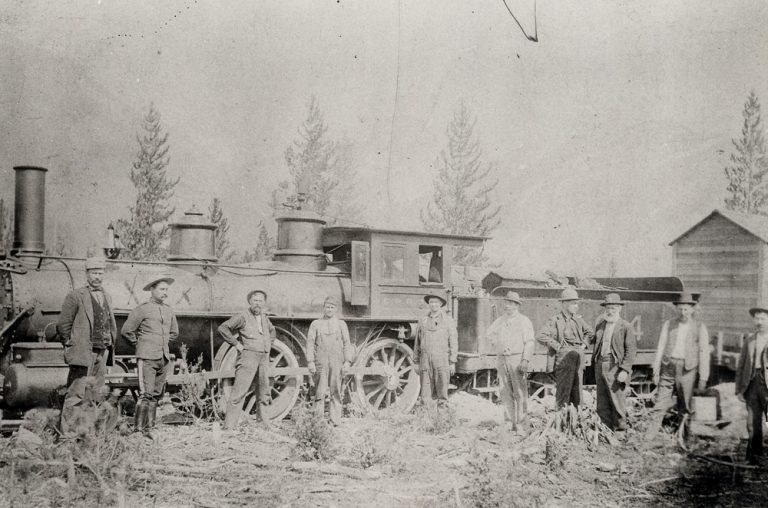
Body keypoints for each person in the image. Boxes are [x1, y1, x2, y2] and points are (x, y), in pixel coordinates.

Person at [57, 257, 117, 433]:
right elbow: (63, 325)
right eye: (94, 273)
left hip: (102, 352)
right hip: (84, 352)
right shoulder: (76, 296)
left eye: (100, 273)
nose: (97, 276)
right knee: (76, 394)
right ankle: (67, 435)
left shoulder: (107, 296)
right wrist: (71, 346)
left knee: (95, 394)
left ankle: (87, 433)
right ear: (87, 274)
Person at [121, 276, 179, 438]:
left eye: (166, 289)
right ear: (152, 290)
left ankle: (150, 429)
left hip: (163, 358)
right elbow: (127, 331)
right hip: (147, 357)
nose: (165, 293)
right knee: (145, 394)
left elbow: (174, 332)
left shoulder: (168, 310)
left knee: (156, 394)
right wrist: (142, 344)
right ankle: (138, 430)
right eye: (161, 289)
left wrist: (162, 342)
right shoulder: (142, 309)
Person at [648, 291, 709, 435]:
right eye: (680, 309)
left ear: (692, 309)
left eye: (686, 309)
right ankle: (649, 437)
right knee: (660, 402)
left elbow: (704, 352)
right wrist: (655, 369)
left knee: (685, 404)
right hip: (668, 366)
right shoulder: (669, 324)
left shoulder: (700, 327)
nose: (683, 312)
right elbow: (661, 346)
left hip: (688, 369)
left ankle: (684, 438)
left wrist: (704, 377)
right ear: (676, 309)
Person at [218, 289, 276, 430]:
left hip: (263, 357)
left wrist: (268, 344)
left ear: (264, 303)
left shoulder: (264, 317)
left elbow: (272, 331)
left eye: (260, 301)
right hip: (248, 356)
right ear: (250, 302)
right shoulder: (242, 316)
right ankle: (229, 427)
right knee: (239, 392)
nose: (257, 303)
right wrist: (237, 344)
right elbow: (223, 328)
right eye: (255, 300)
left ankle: (263, 423)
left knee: (263, 391)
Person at [536, 287, 594, 409]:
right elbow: (541, 336)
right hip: (563, 360)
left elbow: (590, 333)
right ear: (564, 304)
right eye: (573, 303)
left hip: (578, 358)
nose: (576, 306)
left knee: (577, 394)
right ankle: (561, 423)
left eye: (576, 303)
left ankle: (576, 422)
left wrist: (583, 346)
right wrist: (558, 347)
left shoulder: (578, 320)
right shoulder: (555, 320)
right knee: (563, 393)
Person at [485, 291, 534, 429]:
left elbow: (530, 342)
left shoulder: (524, 321)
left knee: (519, 391)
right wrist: (498, 345)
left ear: (517, 306)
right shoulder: (500, 320)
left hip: (517, 359)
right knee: (504, 391)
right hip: (502, 359)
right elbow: (489, 334)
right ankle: (509, 422)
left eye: (511, 303)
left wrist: (525, 360)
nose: (508, 306)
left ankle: (521, 423)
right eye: (506, 303)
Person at [591, 293, 636, 432]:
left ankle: (620, 430)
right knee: (602, 398)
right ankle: (605, 429)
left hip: (614, 366)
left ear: (619, 309)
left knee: (617, 398)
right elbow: (593, 341)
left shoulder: (626, 326)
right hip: (600, 363)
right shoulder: (601, 325)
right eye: (608, 308)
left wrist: (624, 369)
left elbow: (631, 350)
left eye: (613, 308)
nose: (610, 311)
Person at [306, 296, 352, 425]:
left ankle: (335, 419)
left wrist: (347, 361)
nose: (329, 309)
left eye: (332, 307)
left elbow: (347, 343)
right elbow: (309, 343)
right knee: (319, 391)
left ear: (336, 309)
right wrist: (310, 361)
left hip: (336, 361)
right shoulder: (315, 324)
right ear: (323, 308)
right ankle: (317, 420)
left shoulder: (341, 324)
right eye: (327, 307)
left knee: (335, 390)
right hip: (321, 361)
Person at [735, 304, 768, 464]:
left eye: (763, 318)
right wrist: (739, 389)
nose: (759, 322)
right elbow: (741, 365)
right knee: (752, 422)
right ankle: (755, 456)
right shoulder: (749, 340)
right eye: (757, 318)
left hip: (767, 383)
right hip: (752, 383)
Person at [414, 293, 458, 405]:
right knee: (425, 391)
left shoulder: (448, 321)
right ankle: (427, 417)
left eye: (436, 302)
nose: (434, 305)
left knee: (442, 391)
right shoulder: (423, 320)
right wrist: (415, 362)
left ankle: (441, 418)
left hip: (442, 360)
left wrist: (452, 361)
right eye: (431, 302)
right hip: (425, 360)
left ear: (441, 304)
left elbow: (453, 341)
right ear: (429, 304)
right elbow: (417, 343)